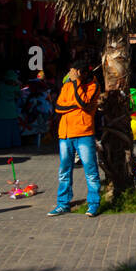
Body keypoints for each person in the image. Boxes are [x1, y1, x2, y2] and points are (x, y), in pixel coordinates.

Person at [49, 59, 102, 216]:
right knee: (64, 170)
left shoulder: (93, 86)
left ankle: (93, 203)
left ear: (81, 73)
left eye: (74, 72)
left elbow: (84, 103)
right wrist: (75, 106)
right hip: (65, 134)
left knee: (90, 170)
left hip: (83, 133)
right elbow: (58, 107)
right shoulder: (67, 85)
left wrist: (76, 83)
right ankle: (63, 203)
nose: (70, 74)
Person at [0, 69, 22, 150]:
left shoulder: (2, 86)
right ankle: (12, 144)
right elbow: (19, 95)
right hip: (11, 111)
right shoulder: (16, 87)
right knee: (11, 129)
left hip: (0, 111)